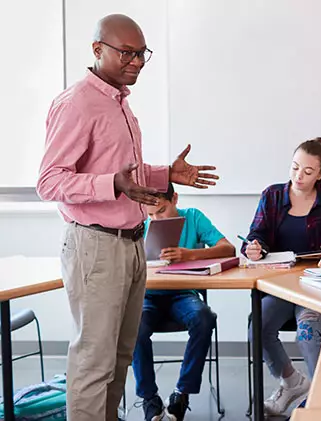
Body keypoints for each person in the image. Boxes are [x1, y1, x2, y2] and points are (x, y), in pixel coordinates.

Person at [36, 14, 217, 421]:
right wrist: (111, 186)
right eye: (126, 53)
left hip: (132, 242)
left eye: (141, 54)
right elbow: (49, 182)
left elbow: (125, 176)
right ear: (97, 50)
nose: (136, 61)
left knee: (120, 355)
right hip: (95, 245)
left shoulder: (119, 102)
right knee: (93, 362)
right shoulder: (77, 103)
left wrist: (166, 174)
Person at [243, 138, 321, 415]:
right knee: (257, 328)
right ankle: (292, 382)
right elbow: (255, 235)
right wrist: (253, 247)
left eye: (308, 172)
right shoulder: (272, 195)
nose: (298, 176)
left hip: (316, 284)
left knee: (308, 333)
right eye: (295, 168)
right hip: (281, 284)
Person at [134, 183, 235, 420]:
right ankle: (149, 397)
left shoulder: (193, 218)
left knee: (204, 317)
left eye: (162, 211)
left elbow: (228, 249)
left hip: (184, 294)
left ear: (175, 199)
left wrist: (190, 254)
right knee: (133, 326)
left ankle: (182, 393)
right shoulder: (138, 224)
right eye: (150, 214)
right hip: (148, 295)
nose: (156, 219)